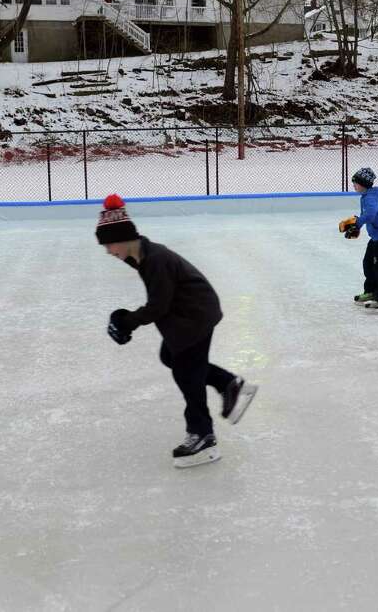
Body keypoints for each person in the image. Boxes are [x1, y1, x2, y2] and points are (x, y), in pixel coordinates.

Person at [97, 194, 258, 468]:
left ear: (122, 238)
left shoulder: (154, 260)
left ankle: (202, 436)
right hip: (187, 314)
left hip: (194, 316)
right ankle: (228, 383)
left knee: (187, 374)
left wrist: (128, 321)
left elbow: (158, 306)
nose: (109, 252)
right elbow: (160, 300)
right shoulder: (141, 253)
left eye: (110, 244)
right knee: (171, 358)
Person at [339, 167, 378, 310]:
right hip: (376, 237)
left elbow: (370, 215)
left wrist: (357, 223)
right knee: (368, 264)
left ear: (363, 183)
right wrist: (358, 226)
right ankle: (371, 291)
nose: (353, 185)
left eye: (355, 183)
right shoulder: (366, 196)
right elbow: (369, 217)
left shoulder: (370, 198)